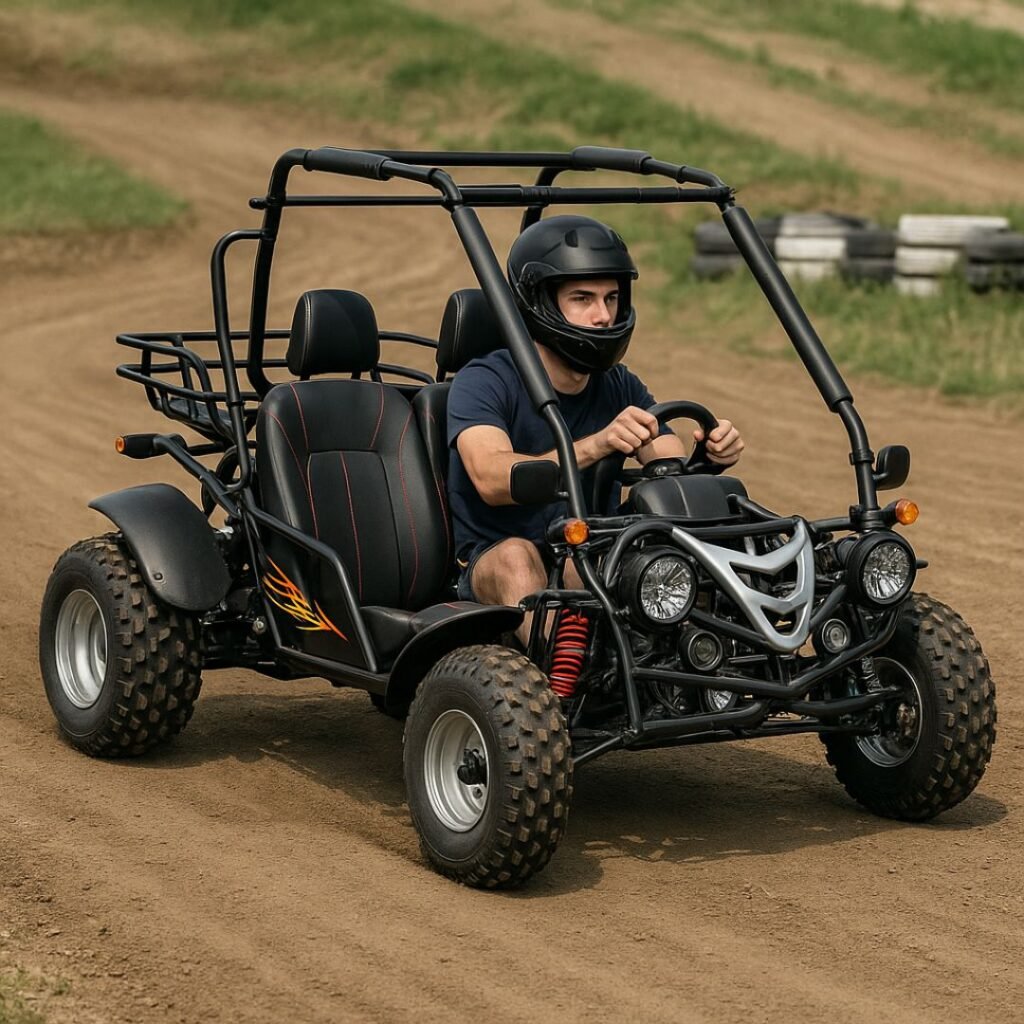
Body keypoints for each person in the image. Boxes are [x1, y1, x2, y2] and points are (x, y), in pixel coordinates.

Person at [447, 215, 744, 641]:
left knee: (657, 539)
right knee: (518, 557)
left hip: (586, 548)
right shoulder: (484, 380)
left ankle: (698, 664)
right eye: (583, 298)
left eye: (612, 298)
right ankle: (552, 694)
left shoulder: (619, 383)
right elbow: (492, 478)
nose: (603, 316)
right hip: (494, 560)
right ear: (543, 303)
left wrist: (709, 454)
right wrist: (598, 444)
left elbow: (667, 459)